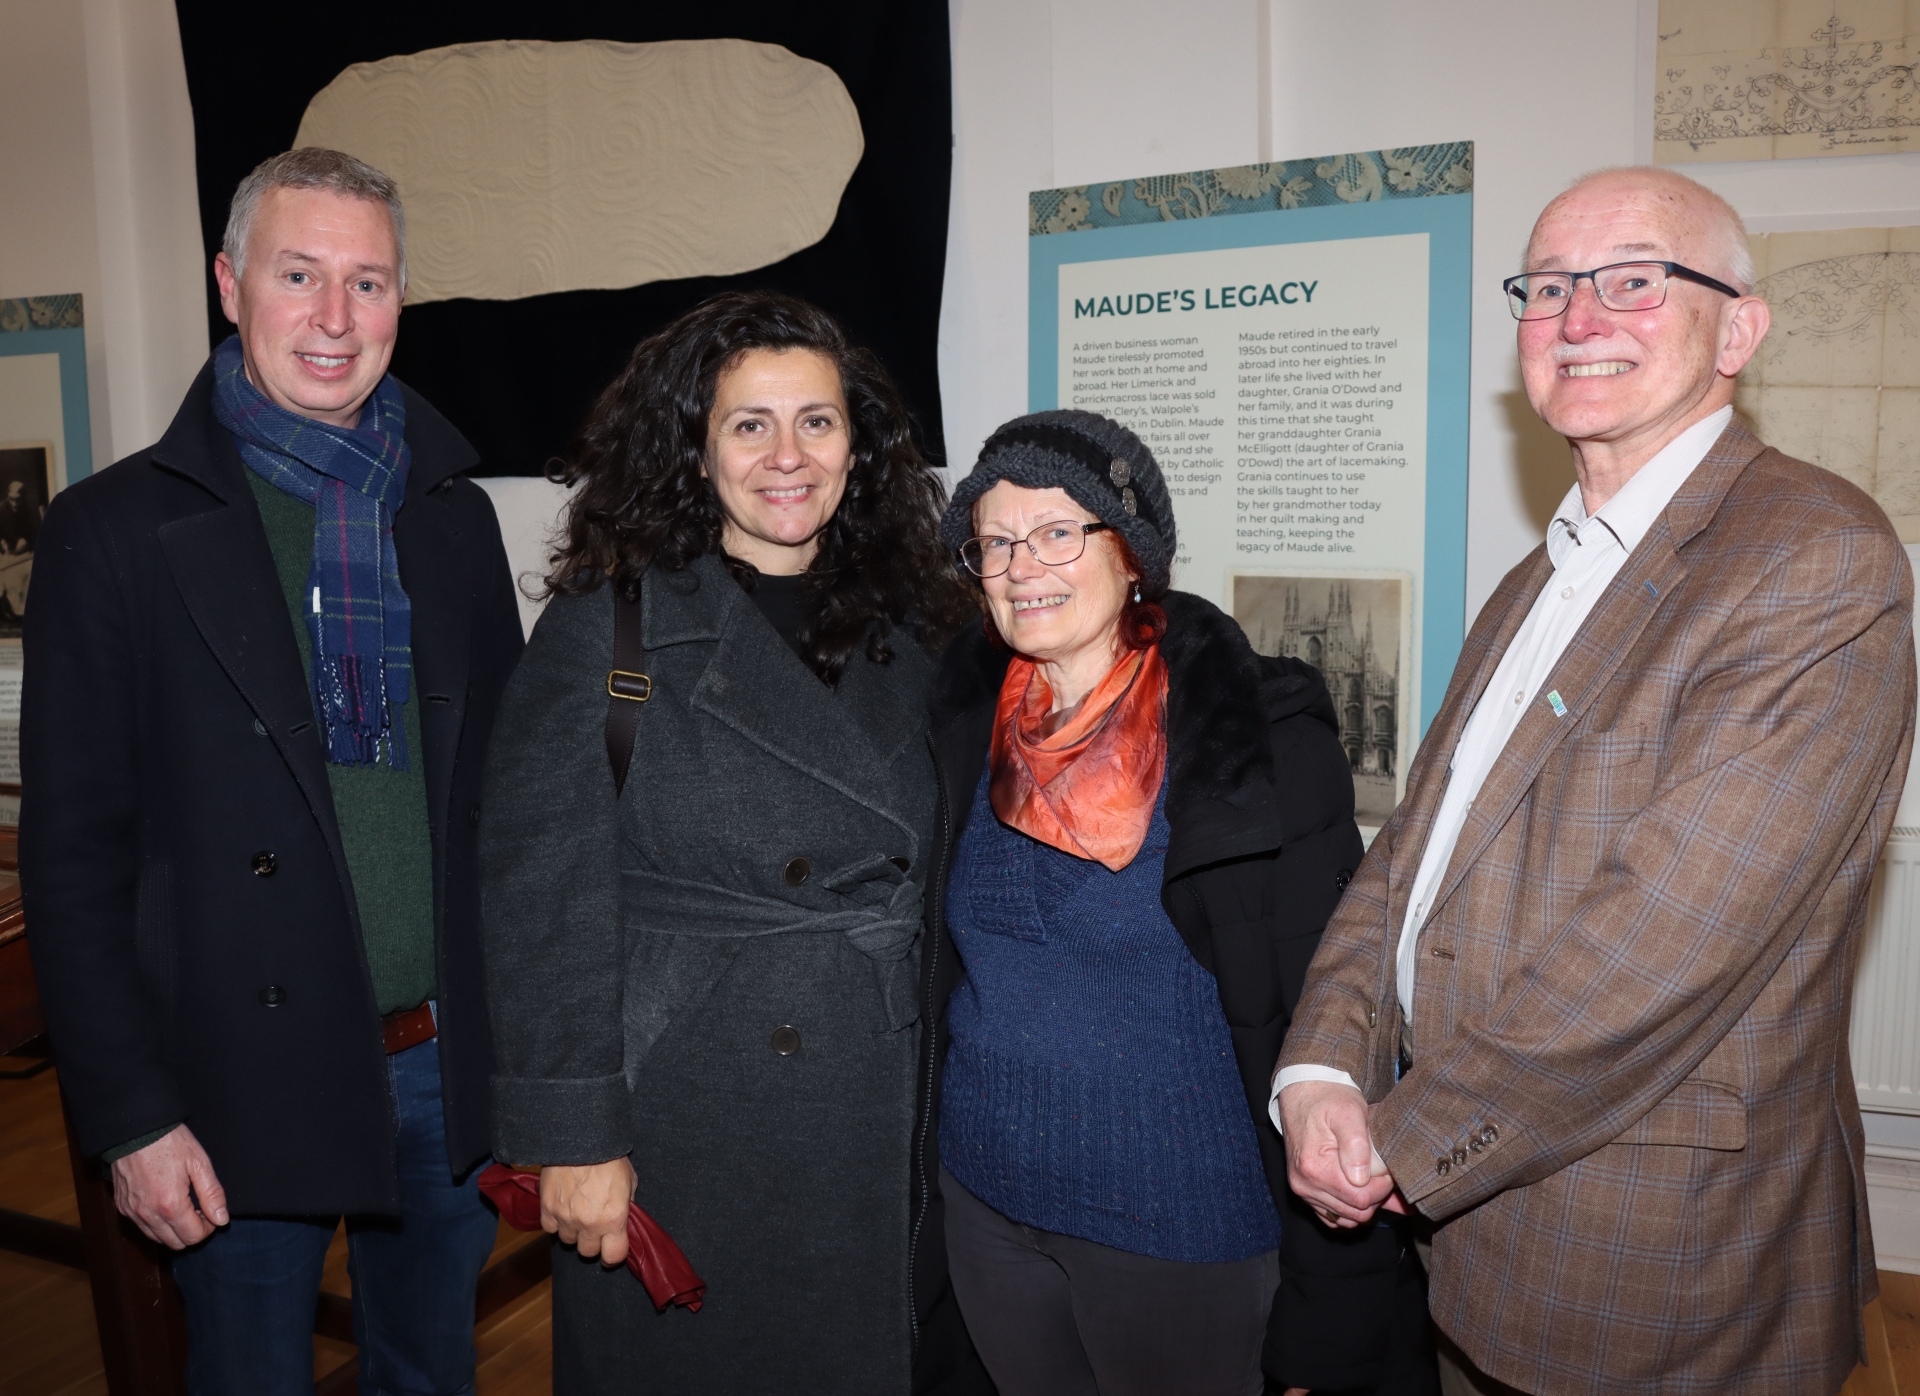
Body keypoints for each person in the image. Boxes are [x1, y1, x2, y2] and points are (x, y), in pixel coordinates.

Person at [1276, 165, 1916, 1396]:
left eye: (1633, 280)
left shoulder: (1814, 558)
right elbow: (1414, 850)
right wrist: (1322, 1068)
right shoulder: (1540, 577)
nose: (1579, 318)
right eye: (1551, 286)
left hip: (1657, 1255)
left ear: (1739, 328)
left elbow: (1664, 938)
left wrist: (1399, 1140)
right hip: (1480, 1231)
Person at [22, 147, 524, 1396]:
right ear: (230, 282)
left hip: (438, 1070)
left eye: (370, 282)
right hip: (227, 1088)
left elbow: (502, 809)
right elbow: (73, 859)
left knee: (433, 1376)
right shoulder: (114, 532)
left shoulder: (450, 516)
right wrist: (130, 1118)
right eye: (300, 275)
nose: (336, 318)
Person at [479, 291, 985, 1395]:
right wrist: (569, 1136)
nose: (787, 455)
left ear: (860, 443)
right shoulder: (610, 625)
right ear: (695, 448)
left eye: (817, 420)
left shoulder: (928, 624)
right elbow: (540, 897)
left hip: (884, 1090)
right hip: (679, 1103)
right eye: (749, 423)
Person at [920, 410, 1436, 1396]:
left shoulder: (1253, 738)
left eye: (1060, 531)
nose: (1025, 564)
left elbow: (1336, 1015)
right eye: (995, 540)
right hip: (986, 1207)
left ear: (1135, 553)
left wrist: (1334, 1307)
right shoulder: (959, 727)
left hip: (1181, 1230)